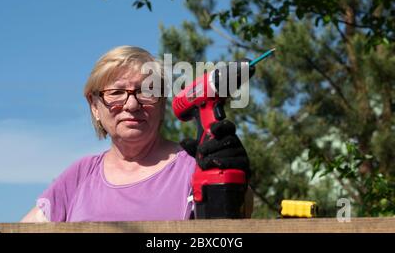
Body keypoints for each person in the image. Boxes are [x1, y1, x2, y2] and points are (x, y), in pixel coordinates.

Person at [21, 46, 252, 222]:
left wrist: (234, 181)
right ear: (94, 106)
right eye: (117, 92)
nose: (131, 104)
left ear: (162, 102)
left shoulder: (197, 165)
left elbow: (231, 228)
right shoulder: (79, 177)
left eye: (146, 91)